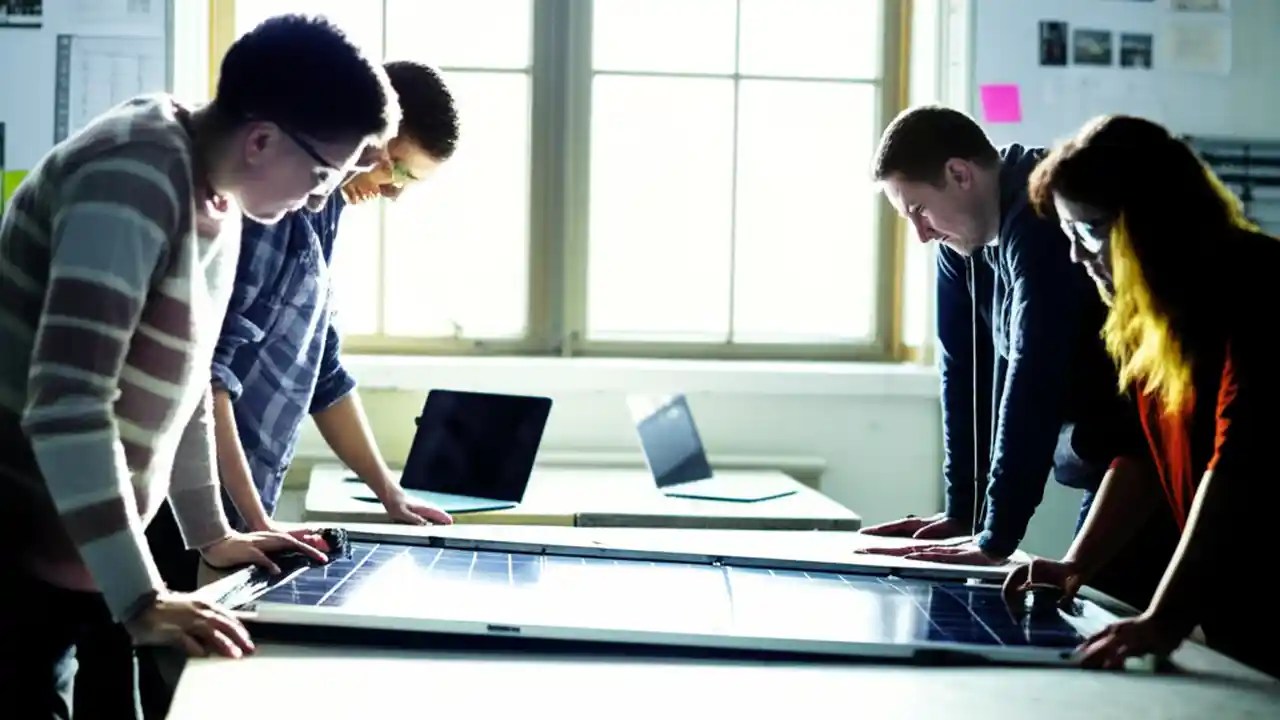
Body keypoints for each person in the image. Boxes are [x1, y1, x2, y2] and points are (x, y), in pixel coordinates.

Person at [0, 13, 399, 718]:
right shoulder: (131, 175)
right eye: (319, 174)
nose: (315, 198)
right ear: (262, 139)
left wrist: (212, 534)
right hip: (19, 563)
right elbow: (66, 405)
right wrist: (141, 596)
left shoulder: (221, 199)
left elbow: (183, 390)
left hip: (84, 554)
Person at [143, 60, 461, 601]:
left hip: (231, 504)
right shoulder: (275, 209)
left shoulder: (324, 209)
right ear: (374, 137)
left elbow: (324, 370)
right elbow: (207, 377)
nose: (393, 192)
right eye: (399, 171)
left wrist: (389, 493)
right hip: (189, 495)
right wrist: (252, 519)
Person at [1004, 114, 1280, 678]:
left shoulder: (1262, 289)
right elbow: (1141, 456)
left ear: (1149, 221)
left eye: (1086, 233)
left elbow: (1238, 469)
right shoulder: (1147, 313)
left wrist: (1163, 619)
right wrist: (1076, 564)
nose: (1078, 258)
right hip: (1239, 602)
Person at [857, 106, 1168, 579]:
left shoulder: (1041, 217)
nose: (921, 235)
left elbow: (1033, 373)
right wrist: (963, 512)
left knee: (1104, 612)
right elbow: (963, 373)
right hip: (1106, 459)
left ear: (959, 174)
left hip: (1152, 458)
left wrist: (996, 537)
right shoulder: (960, 246)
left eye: (919, 210)